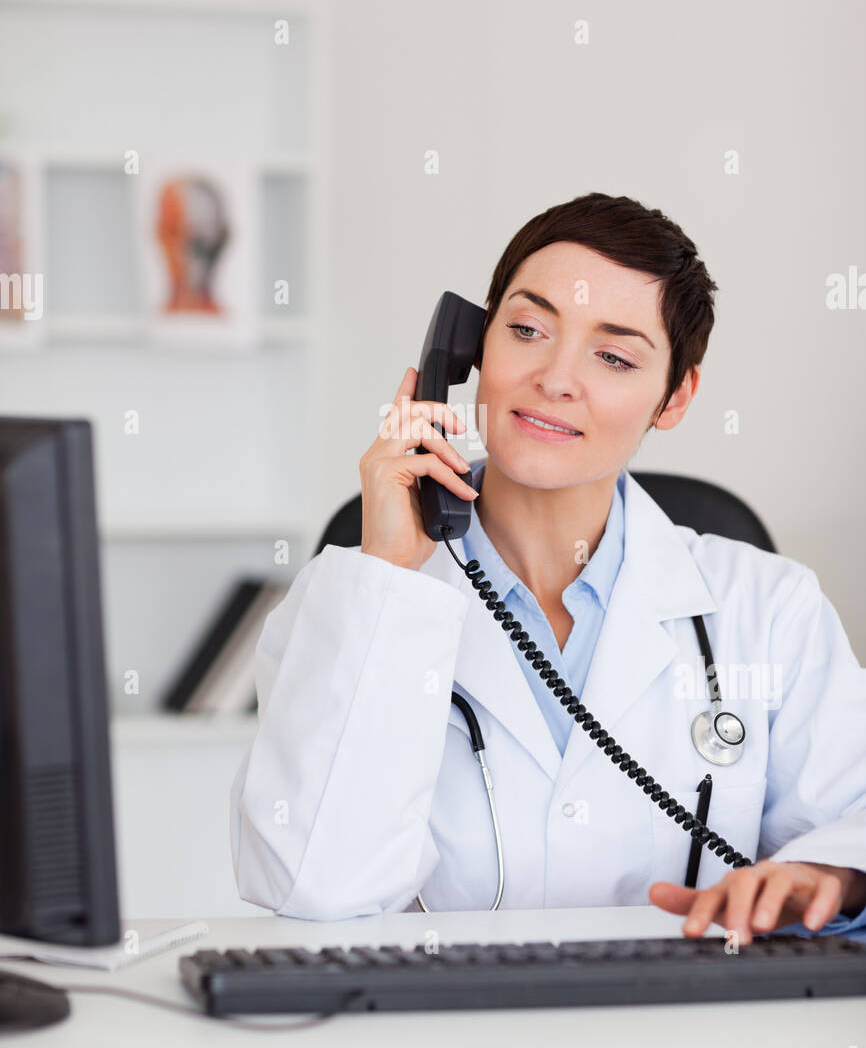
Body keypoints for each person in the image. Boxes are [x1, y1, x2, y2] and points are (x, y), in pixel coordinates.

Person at [229, 192, 866, 939]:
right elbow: (313, 884)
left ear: (675, 396)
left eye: (614, 356)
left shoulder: (768, 607)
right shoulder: (356, 597)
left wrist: (824, 874)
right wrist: (392, 579)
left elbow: (852, 820)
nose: (556, 378)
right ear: (467, 348)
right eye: (527, 329)